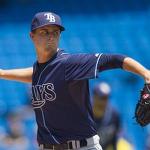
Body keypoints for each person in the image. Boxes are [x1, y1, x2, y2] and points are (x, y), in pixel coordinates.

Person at [0, 11, 150, 150]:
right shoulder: (41, 69)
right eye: (44, 32)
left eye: (55, 32)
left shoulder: (70, 64)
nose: (51, 37)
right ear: (32, 36)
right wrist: (3, 73)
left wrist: (145, 73)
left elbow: (114, 59)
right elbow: (35, 74)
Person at [92, 82, 120, 150]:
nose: (103, 102)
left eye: (106, 98)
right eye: (101, 98)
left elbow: (117, 134)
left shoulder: (113, 114)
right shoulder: (85, 114)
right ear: (94, 97)